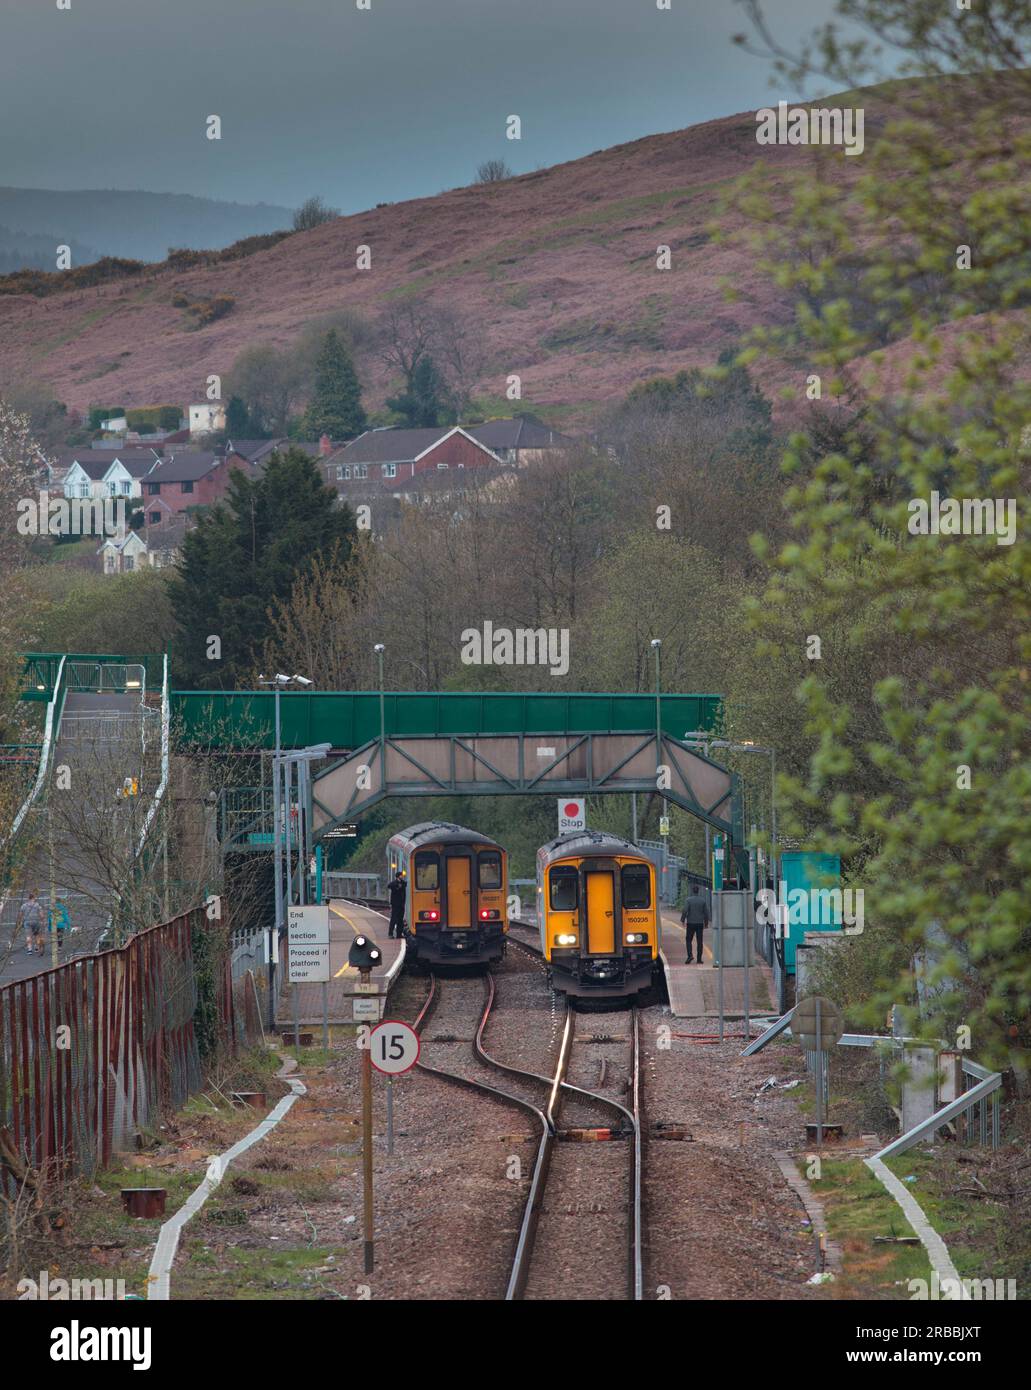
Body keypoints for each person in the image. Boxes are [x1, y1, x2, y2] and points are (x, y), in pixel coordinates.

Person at [680, 885, 710, 964]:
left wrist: (682, 920)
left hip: (690, 923)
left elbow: (685, 910)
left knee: (688, 940)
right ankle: (699, 959)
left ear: (692, 891)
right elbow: (706, 913)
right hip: (700, 923)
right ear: (698, 891)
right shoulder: (702, 901)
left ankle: (690, 956)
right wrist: (706, 924)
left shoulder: (688, 900)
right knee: (700, 941)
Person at [387, 870, 407, 939]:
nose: (402, 876)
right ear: (398, 876)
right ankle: (390, 934)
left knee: (400, 920)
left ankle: (399, 934)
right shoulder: (394, 883)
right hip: (395, 904)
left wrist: (400, 885)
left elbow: (405, 884)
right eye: (401, 875)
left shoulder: (403, 883)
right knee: (393, 919)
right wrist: (397, 885)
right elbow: (389, 885)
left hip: (401, 904)